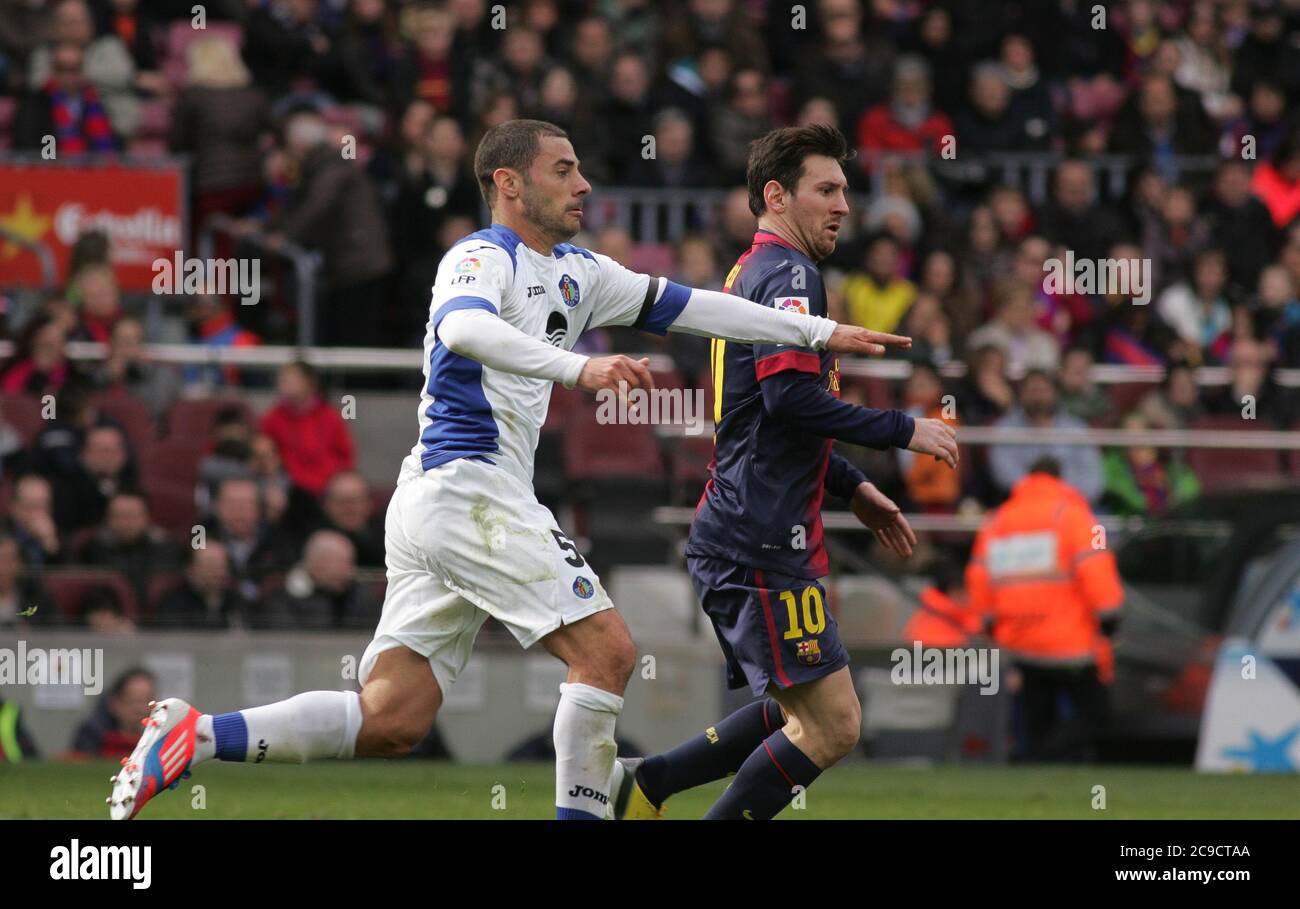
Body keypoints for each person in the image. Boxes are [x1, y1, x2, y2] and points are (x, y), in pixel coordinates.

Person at [110, 118, 903, 821]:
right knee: (608, 651)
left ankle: (197, 733)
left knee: (393, 717)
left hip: (445, 504)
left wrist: (824, 333)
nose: (584, 182)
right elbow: (463, 332)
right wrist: (576, 369)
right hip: (467, 487)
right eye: (564, 169)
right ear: (509, 182)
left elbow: (698, 306)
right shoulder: (477, 257)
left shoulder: (581, 272)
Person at [612, 125, 957, 820]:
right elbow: (791, 397)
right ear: (776, 195)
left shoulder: (748, 272)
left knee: (798, 706)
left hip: (753, 525)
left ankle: (646, 785)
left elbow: (770, 419)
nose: (843, 206)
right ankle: (649, 786)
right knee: (833, 723)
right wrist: (903, 430)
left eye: (844, 191)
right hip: (760, 535)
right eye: (826, 190)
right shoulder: (792, 275)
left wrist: (854, 486)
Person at [966, 456, 1123, 762]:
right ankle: (1057, 757)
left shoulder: (998, 520)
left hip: (1021, 642)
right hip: (1070, 641)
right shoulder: (1071, 514)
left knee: (1037, 721)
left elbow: (978, 576)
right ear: (1060, 478)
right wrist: (1110, 619)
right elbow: (1095, 568)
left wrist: (988, 625)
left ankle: (1039, 768)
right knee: (1097, 718)